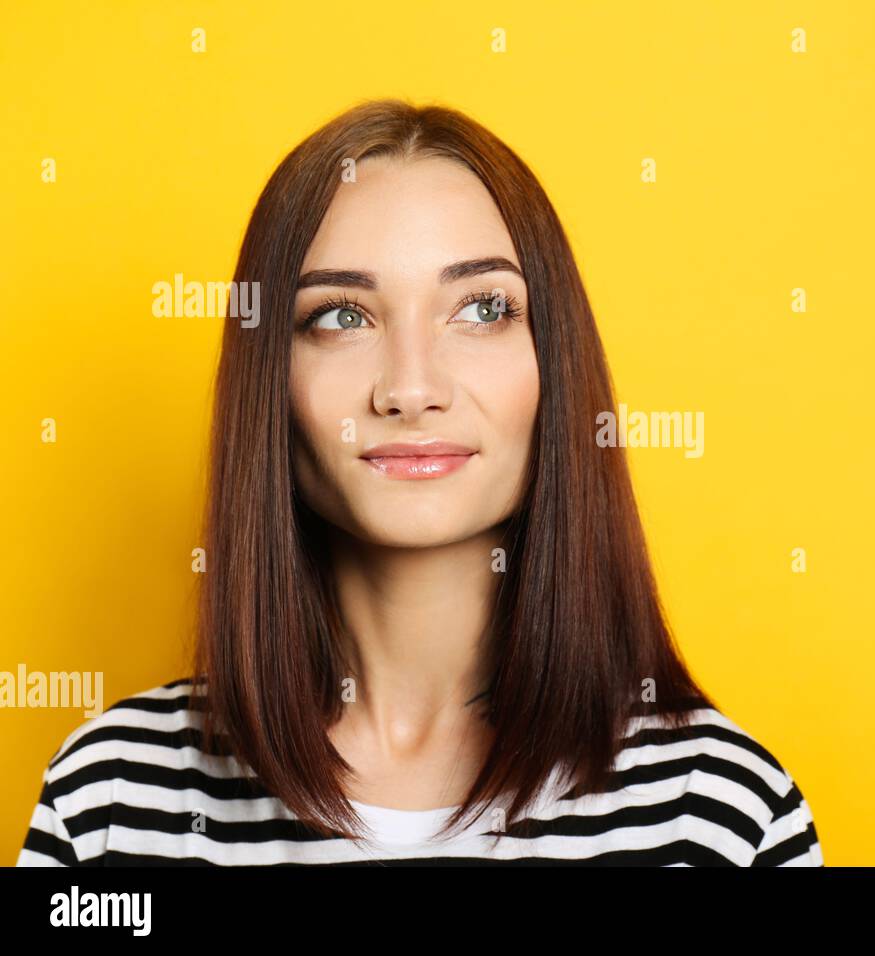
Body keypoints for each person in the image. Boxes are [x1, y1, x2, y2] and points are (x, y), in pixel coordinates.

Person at [16, 100, 823, 866]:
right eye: (341, 315)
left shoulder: (719, 812)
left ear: (555, 364)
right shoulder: (111, 802)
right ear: (269, 382)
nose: (411, 387)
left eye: (481, 309)